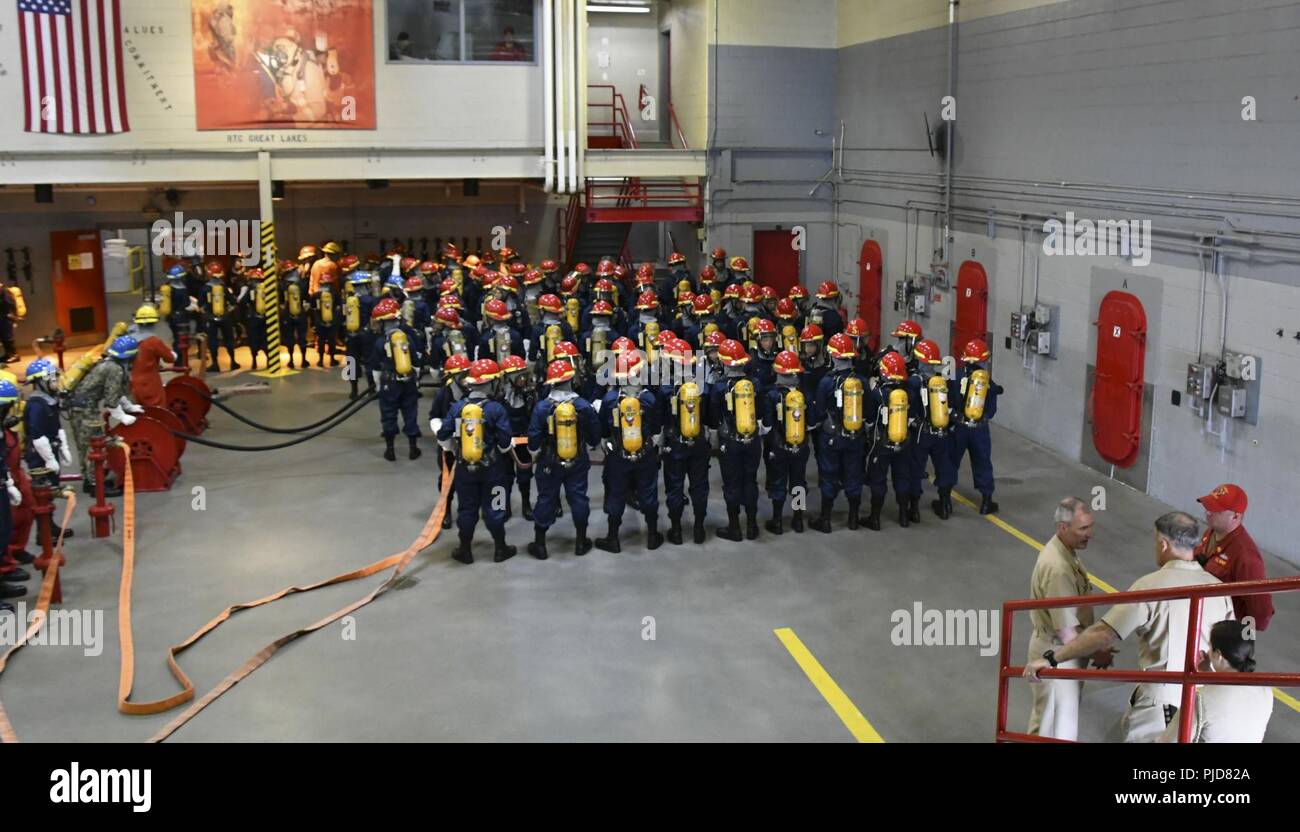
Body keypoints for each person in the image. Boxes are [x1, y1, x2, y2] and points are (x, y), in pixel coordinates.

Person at [1024, 511, 1235, 743]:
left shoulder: (1151, 586)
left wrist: (1053, 658)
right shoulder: (1218, 589)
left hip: (1162, 706)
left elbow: (1103, 634)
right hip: (1203, 702)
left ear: (1163, 544)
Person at [1026, 497, 1102, 741]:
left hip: (1064, 651)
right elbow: (1067, 632)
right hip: (1059, 653)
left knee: (1060, 722)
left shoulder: (1066, 551)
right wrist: (1095, 649)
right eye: (1083, 528)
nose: (1090, 533)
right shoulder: (1058, 568)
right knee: (1051, 727)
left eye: (1090, 525)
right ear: (1063, 528)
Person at [436, 359, 517, 565]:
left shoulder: (457, 408)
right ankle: (500, 548)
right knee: (496, 506)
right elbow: (506, 442)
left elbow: (443, 434)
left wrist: (454, 449)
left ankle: (465, 550)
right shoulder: (496, 409)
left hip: (465, 470)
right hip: (494, 471)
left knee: (467, 508)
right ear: (490, 383)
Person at [527, 360, 600, 559]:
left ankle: (540, 544)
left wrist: (536, 453)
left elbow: (533, 439)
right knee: (578, 498)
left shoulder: (542, 407)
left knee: (545, 498)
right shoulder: (583, 405)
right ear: (571, 379)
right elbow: (595, 435)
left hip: (549, 462)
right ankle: (580, 541)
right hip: (577, 460)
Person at [1158, 620, 1273, 743]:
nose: (1208, 652)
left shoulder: (1200, 699)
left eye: (1210, 647)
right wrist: (1207, 671)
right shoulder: (1265, 691)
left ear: (1219, 655)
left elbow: (1169, 740)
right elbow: (1228, 703)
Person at [595, 350, 663, 553]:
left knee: (617, 494)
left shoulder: (609, 400)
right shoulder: (650, 399)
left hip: (618, 456)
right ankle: (652, 536)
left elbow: (603, 432)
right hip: (646, 455)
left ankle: (613, 539)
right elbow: (657, 429)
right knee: (648, 492)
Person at [66, 337, 143, 497]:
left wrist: (129, 407)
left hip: (77, 408)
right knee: (95, 445)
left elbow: (115, 392)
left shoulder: (109, 363)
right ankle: (96, 486)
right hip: (86, 410)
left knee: (84, 447)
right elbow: (111, 401)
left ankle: (89, 482)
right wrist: (123, 417)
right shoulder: (115, 369)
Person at [1193, 483, 1273, 631]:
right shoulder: (1211, 532)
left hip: (1220, 629)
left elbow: (1261, 615)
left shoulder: (1246, 557)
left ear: (1236, 516)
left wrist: (1239, 640)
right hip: (1200, 616)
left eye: (1216, 510)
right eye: (1208, 506)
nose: (1208, 512)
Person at [811, 333, 869, 532]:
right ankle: (853, 519)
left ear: (833, 357)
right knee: (854, 474)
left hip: (832, 437)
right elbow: (869, 412)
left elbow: (819, 412)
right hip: (856, 437)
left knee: (829, 474)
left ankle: (825, 520)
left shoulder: (826, 382)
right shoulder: (861, 381)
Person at [709, 339, 762, 541]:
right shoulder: (754, 384)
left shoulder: (720, 386)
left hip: (729, 441)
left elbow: (714, 417)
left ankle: (734, 527)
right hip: (752, 440)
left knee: (732, 483)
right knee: (750, 480)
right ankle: (751, 526)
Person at [660, 339, 711, 545]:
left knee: (674, 487)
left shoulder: (665, 388)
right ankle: (699, 529)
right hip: (699, 443)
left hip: (675, 444)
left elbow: (660, 419)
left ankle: (677, 531)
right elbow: (710, 418)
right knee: (699, 487)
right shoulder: (702, 387)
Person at [948, 338, 1003, 515]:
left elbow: (947, 401)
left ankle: (944, 501)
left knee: (951, 461)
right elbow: (991, 409)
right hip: (979, 429)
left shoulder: (955, 375)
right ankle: (986, 501)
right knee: (982, 462)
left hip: (959, 427)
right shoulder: (987, 382)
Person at [905, 339, 956, 522]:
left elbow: (911, 409)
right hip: (941, 433)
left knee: (916, 469)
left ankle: (914, 509)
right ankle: (944, 504)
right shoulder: (942, 381)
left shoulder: (914, 381)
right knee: (944, 467)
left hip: (921, 433)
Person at [368, 297, 424, 462]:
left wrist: (378, 386)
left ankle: (390, 450)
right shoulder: (408, 339)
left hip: (389, 384)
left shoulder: (379, 342)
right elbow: (417, 361)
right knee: (410, 414)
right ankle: (413, 449)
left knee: (388, 415)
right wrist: (416, 381)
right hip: (408, 383)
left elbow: (375, 367)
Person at [761, 350, 811, 534]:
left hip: (778, 447)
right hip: (801, 446)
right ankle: (798, 520)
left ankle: (777, 521)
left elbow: (766, 425)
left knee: (778, 482)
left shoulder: (772, 395)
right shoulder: (803, 393)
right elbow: (812, 422)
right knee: (799, 482)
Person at [128, 304, 175, 408]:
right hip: (149, 382)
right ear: (154, 323)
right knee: (157, 412)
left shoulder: (129, 338)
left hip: (132, 381)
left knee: (137, 414)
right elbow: (169, 358)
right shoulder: (153, 341)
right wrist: (173, 354)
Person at [201, 261, 240, 373]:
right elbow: (233, 302)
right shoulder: (224, 287)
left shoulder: (205, 288)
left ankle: (215, 364)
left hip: (211, 318)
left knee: (213, 341)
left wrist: (206, 314)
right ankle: (233, 362)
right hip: (225, 317)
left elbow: (200, 304)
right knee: (229, 339)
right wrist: (228, 311)